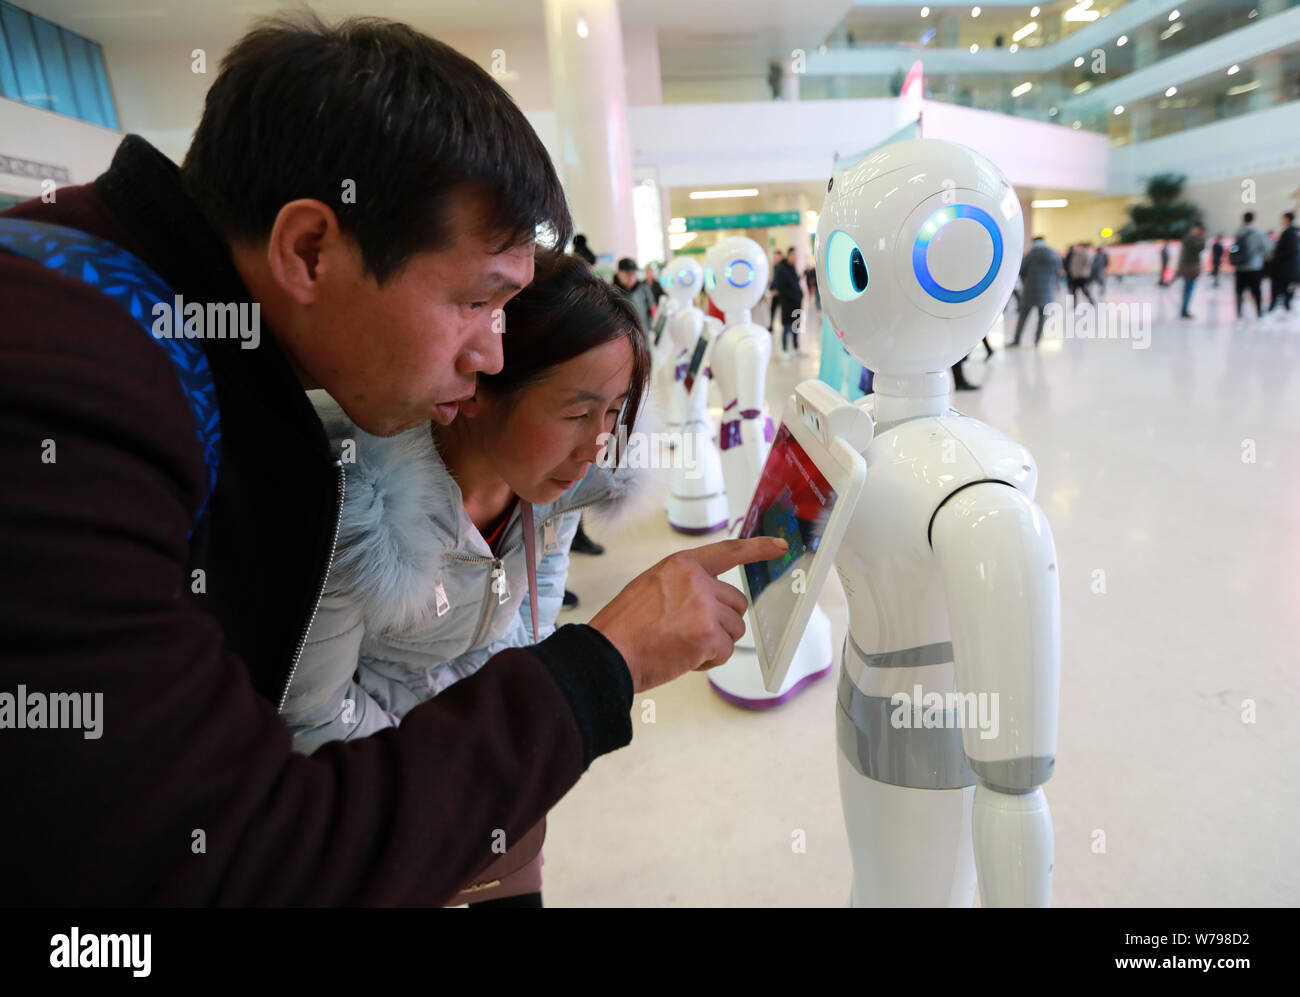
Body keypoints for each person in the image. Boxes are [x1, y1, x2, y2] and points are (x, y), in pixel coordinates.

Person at [0, 12, 782, 905]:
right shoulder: (65, 386)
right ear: (309, 249)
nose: (491, 352)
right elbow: (224, 859)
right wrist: (604, 665)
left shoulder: (172, 339)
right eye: (476, 301)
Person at [283, 250, 648, 906]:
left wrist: (507, 700)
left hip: (486, 765)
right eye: (575, 412)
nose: (598, 446)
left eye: (614, 413)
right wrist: (459, 756)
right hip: (376, 781)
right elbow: (312, 715)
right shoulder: (357, 518)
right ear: (478, 388)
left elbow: (538, 591)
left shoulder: (554, 487)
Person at [1011, 235, 1062, 347]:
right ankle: (1037, 341)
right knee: (1043, 317)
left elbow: (1022, 271)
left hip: (1030, 290)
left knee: (1023, 316)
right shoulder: (1053, 254)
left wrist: (1026, 282)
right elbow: (1058, 271)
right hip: (1047, 290)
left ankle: (1017, 340)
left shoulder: (1031, 254)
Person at [1232, 211, 1269, 319]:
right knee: (1256, 290)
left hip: (1240, 267)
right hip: (1254, 267)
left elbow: (1235, 248)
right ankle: (1258, 312)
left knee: (1239, 291)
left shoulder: (1238, 232)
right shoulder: (1259, 233)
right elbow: (1266, 249)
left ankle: (1239, 313)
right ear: (1253, 219)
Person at [773, 245, 805, 358]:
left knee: (796, 326)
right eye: (795, 255)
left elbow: (796, 283)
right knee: (787, 326)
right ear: (790, 255)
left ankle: (796, 348)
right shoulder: (781, 268)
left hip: (796, 303)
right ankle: (784, 349)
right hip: (787, 303)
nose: (796, 258)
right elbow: (780, 287)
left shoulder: (793, 267)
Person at [1266, 211, 1298, 316]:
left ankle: (1280, 305)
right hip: (1286, 267)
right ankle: (1283, 305)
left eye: (1283, 218)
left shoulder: (1289, 232)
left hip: (1284, 268)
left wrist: (1276, 257)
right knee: (1283, 288)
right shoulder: (1291, 232)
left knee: (1280, 287)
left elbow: (1289, 250)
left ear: (1287, 219)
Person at [612, 256, 654, 333]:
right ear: (618, 273)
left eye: (633, 274)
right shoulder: (611, 293)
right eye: (627, 274)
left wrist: (651, 325)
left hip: (644, 333)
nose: (631, 277)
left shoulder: (643, 288)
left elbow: (651, 307)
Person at [1177, 223, 1206, 319]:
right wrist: (1202, 238)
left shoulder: (1189, 239)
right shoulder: (1191, 240)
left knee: (1187, 289)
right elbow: (1200, 247)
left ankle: (1184, 309)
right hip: (1190, 268)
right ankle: (1184, 310)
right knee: (1188, 290)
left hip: (1189, 267)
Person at [1067, 241, 1096, 305]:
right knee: (1075, 290)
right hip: (1076, 275)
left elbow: (1087, 263)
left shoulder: (1083, 254)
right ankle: (1075, 304)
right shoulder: (1075, 254)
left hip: (1081, 276)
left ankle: (1091, 301)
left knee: (1084, 290)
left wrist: (1084, 271)